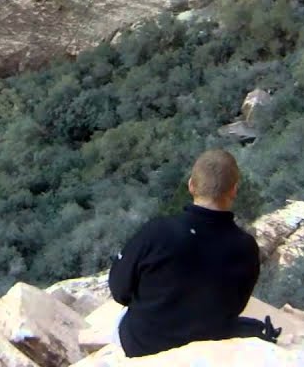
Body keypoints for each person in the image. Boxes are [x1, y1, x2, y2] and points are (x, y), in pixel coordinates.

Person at [107, 149, 277, 357]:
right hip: (209, 344)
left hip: (144, 344)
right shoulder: (246, 247)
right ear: (234, 190)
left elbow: (119, 290)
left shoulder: (157, 232)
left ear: (191, 186)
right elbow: (236, 306)